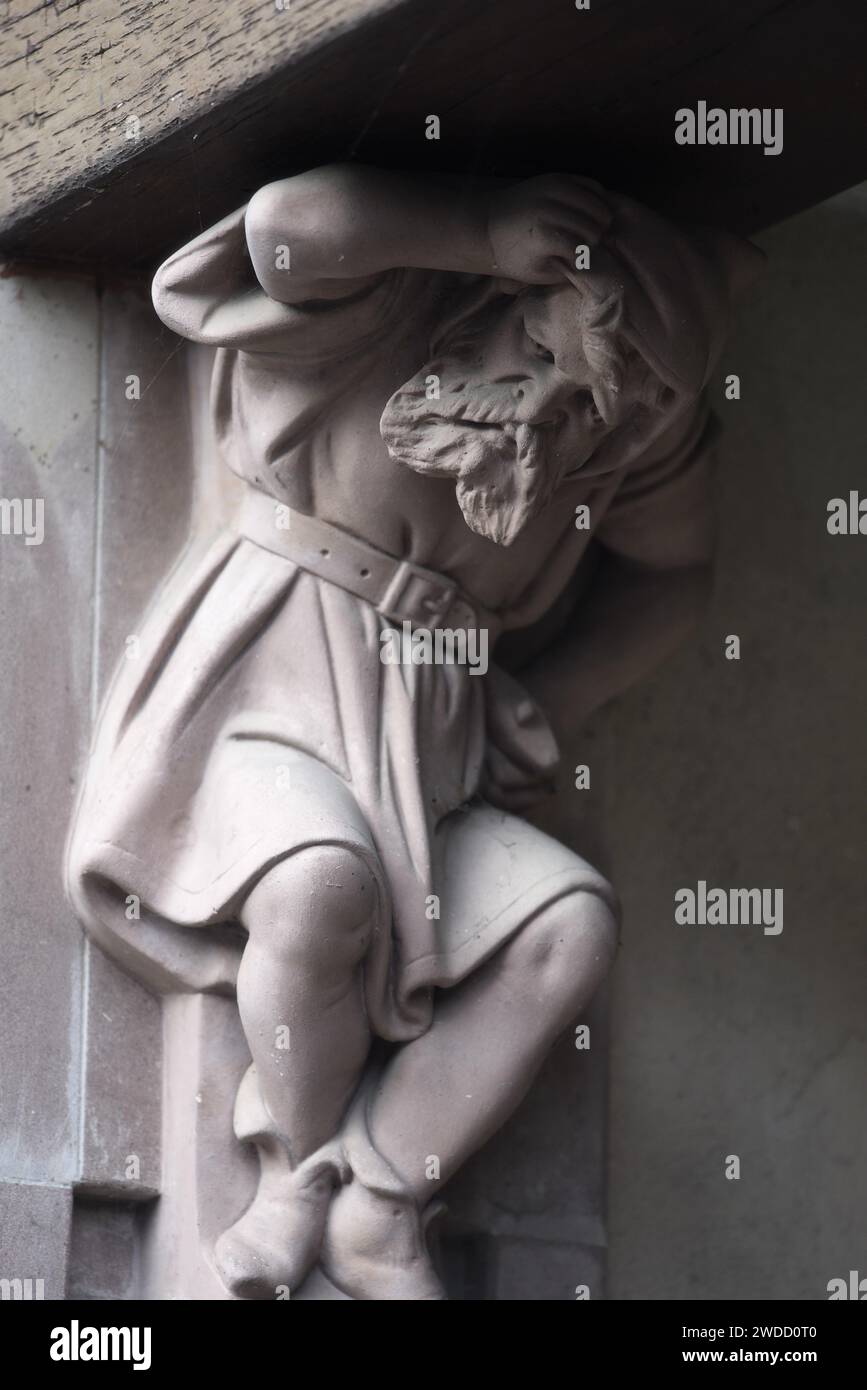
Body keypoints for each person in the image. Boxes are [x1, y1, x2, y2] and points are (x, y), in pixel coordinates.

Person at [67, 165, 761, 1299]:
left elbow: (675, 576)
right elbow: (283, 230)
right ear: (517, 302)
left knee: (565, 927)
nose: (551, 407)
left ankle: (380, 1198)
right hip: (261, 683)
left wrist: (554, 693)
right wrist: (476, 229)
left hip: (431, 742)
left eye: (593, 400)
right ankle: (294, 1171)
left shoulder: (622, 439)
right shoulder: (399, 306)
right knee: (313, 885)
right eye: (544, 358)